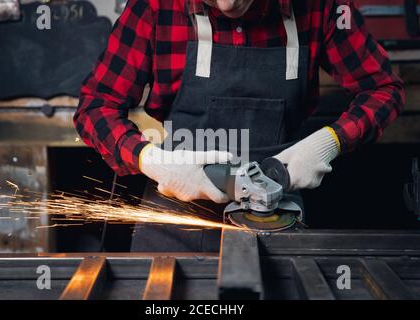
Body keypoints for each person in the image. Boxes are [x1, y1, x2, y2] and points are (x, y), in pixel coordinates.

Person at [74, 0, 405, 252]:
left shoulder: (318, 7)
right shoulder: (156, 6)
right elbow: (95, 107)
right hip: (177, 213)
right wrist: (155, 161)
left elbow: (384, 88)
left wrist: (329, 142)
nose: (229, 5)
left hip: (277, 211)